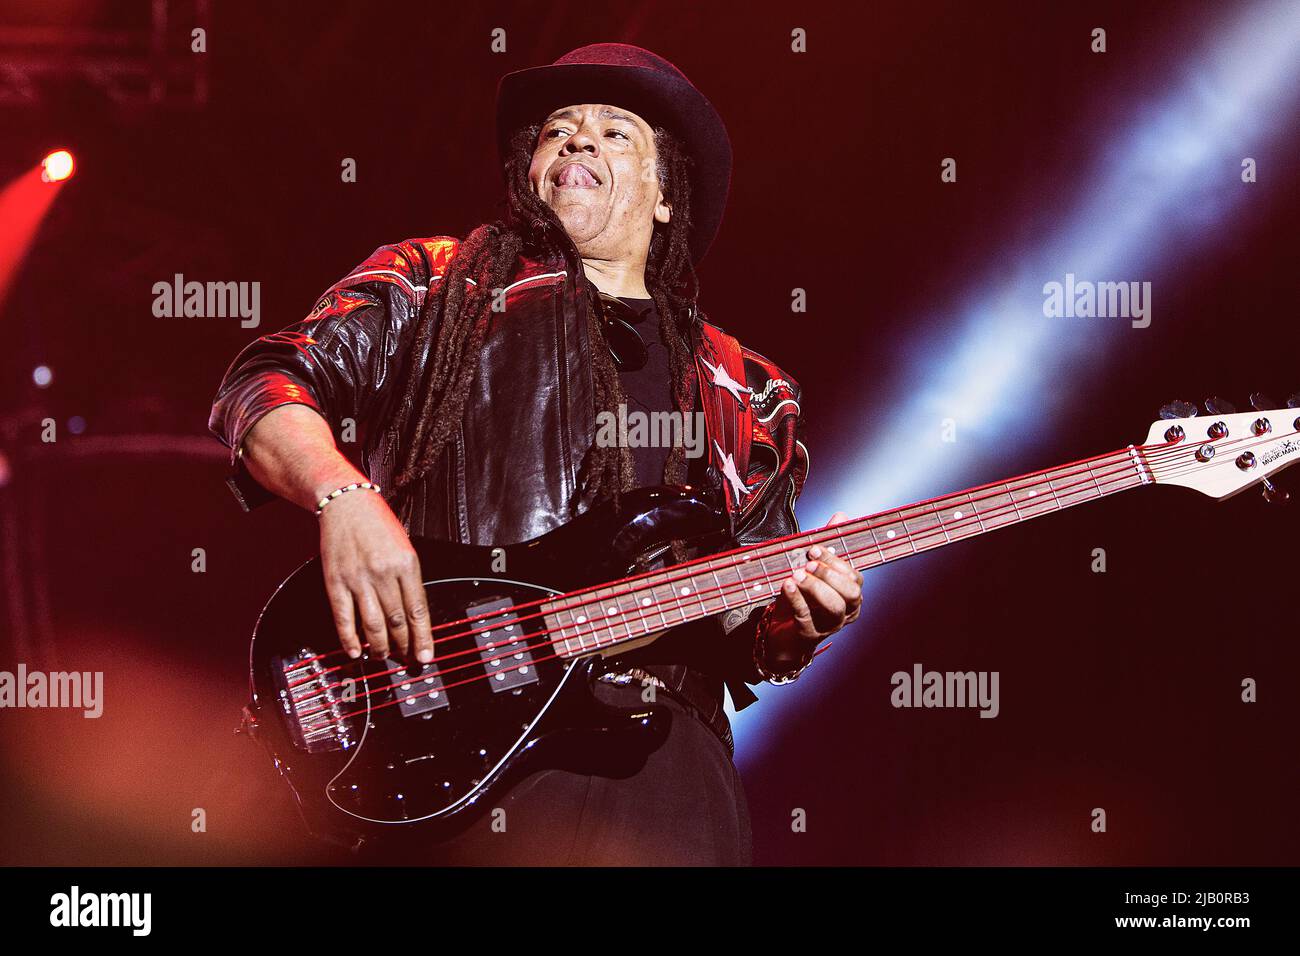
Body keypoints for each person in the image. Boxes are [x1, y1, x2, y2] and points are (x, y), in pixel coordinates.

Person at [209, 43, 862, 865]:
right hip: (455, 755)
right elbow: (265, 385)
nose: (579, 142)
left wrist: (795, 624)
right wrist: (344, 497)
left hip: (666, 783)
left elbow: (749, 628)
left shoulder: (750, 390)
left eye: (615, 133)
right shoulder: (435, 285)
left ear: (668, 196)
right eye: (559, 131)